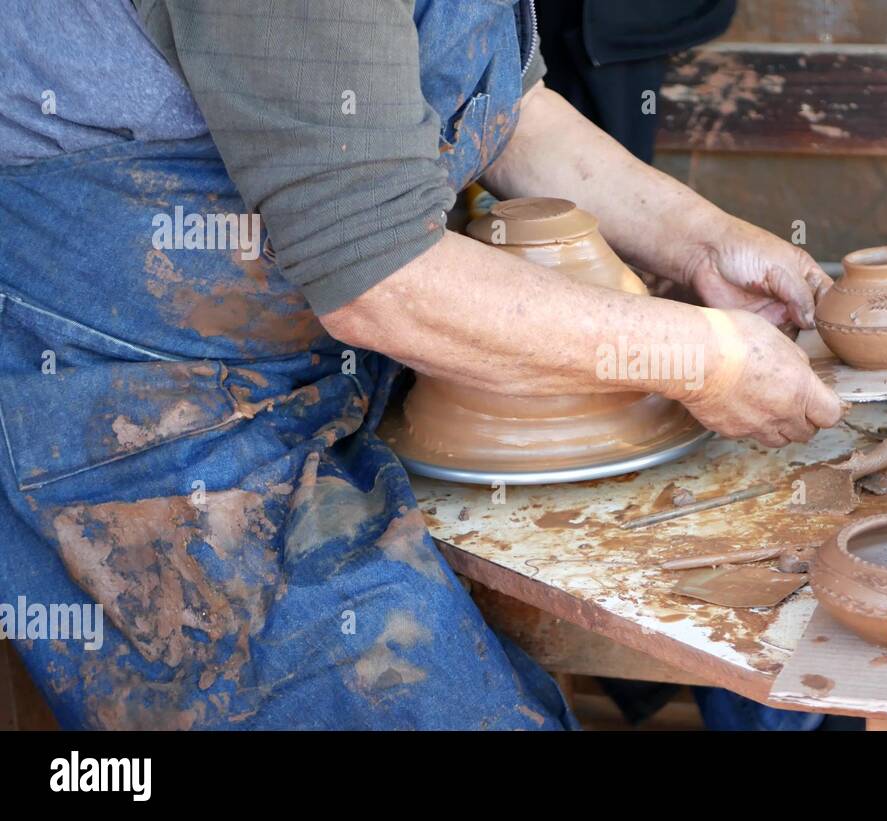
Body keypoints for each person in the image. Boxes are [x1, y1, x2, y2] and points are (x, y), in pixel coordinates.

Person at [0, 0, 840, 729]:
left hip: (332, 347)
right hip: (136, 397)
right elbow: (379, 277)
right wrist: (697, 359)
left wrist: (702, 240)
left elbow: (510, 111)